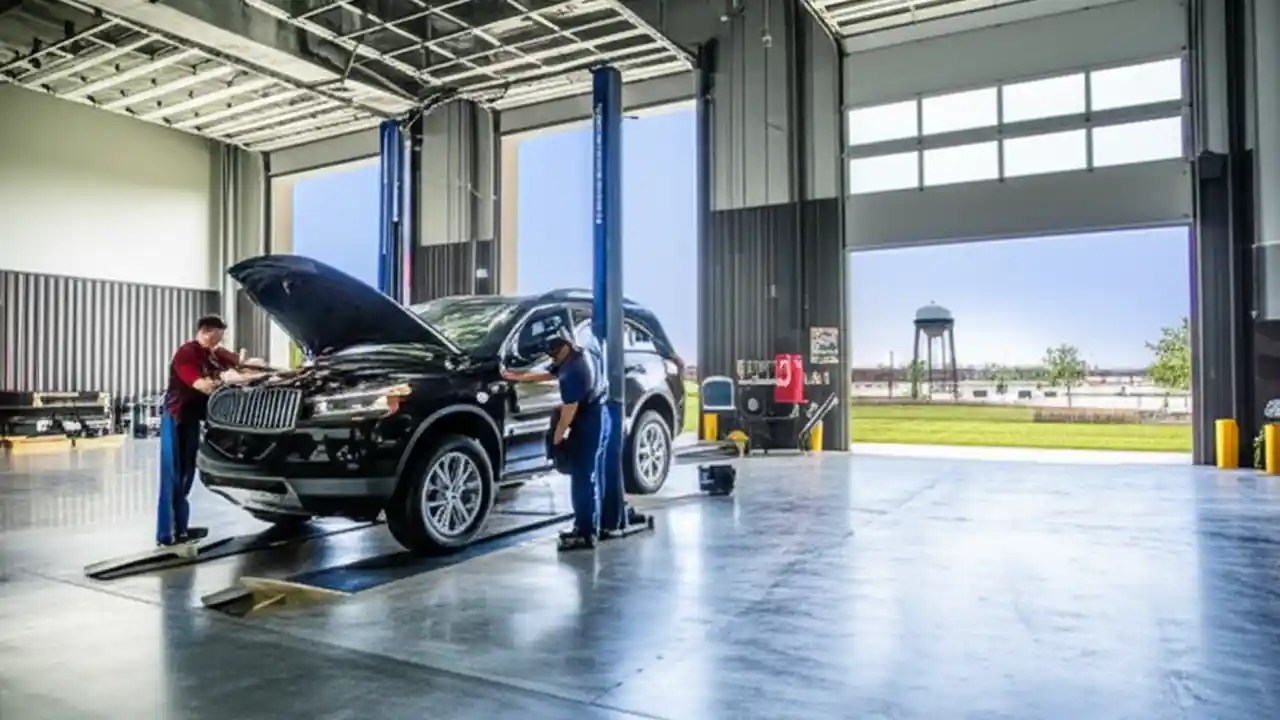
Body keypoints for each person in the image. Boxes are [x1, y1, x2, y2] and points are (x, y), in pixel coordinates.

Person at [503, 326, 609, 549]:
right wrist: (515, 377)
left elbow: (569, 410)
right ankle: (590, 526)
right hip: (597, 413)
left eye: (556, 350)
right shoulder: (574, 356)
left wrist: (557, 439)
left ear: (566, 345)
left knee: (582, 477)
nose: (553, 355)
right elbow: (549, 372)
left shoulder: (574, 371)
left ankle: (585, 532)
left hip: (589, 422)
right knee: (587, 476)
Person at [156, 315, 245, 547]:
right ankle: (166, 534)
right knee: (172, 475)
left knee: (186, 475)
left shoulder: (213, 355)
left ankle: (182, 529)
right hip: (176, 418)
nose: (219, 342)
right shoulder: (187, 353)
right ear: (206, 331)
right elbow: (201, 385)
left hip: (193, 420)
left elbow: (241, 365)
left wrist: (243, 368)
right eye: (217, 336)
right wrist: (224, 381)